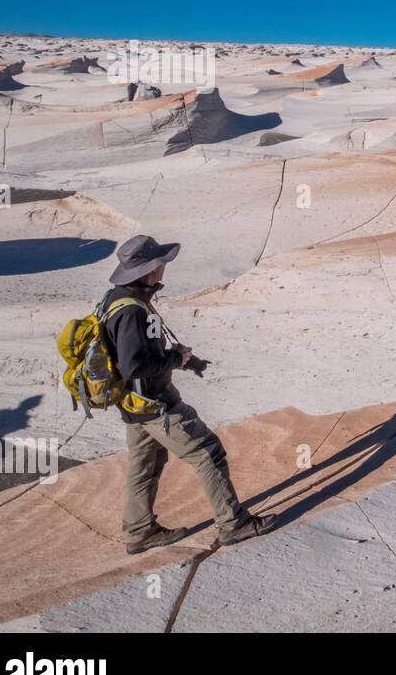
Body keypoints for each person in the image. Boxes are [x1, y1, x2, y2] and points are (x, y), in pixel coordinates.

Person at [101, 234, 274, 554]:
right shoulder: (132, 311)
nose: (164, 268)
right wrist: (172, 359)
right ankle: (233, 524)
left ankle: (139, 530)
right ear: (150, 270)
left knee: (146, 463)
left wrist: (184, 361)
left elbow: (137, 354)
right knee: (207, 452)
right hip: (155, 405)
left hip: (135, 406)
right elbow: (134, 366)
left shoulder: (118, 298)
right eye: (161, 263)